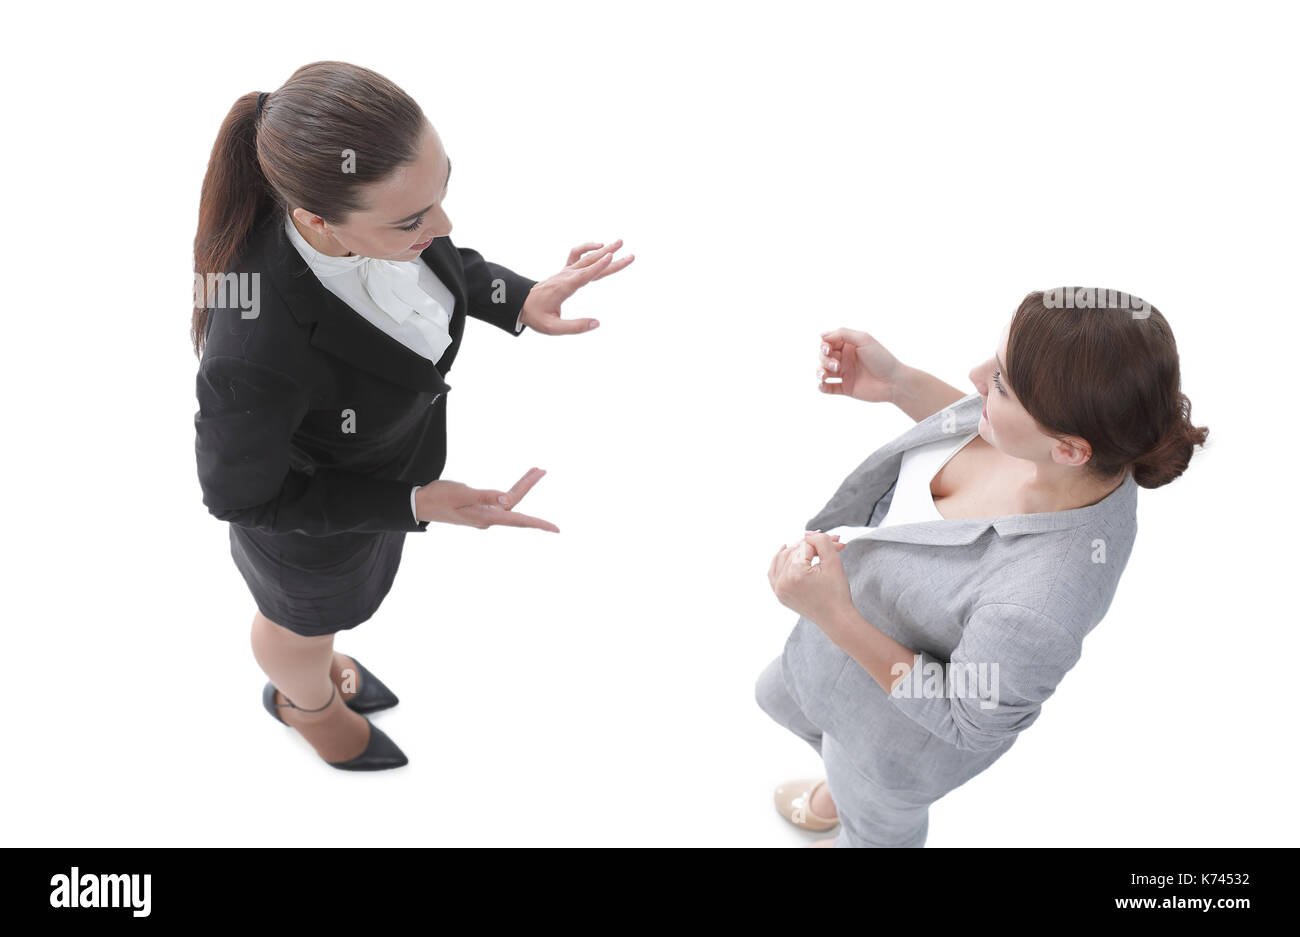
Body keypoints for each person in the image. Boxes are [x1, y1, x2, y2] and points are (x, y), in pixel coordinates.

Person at [192, 61, 633, 771]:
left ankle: (318, 662)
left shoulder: (380, 223)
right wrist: (414, 502)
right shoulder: (252, 347)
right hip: (309, 531)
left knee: (329, 618)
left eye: (441, 191)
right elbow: (240, 497)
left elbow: (444, 259)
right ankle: (305, 702)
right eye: (413, 218)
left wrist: (519, 299)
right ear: (315, 220)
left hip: (379, 482)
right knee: (299, 627)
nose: (444, 224)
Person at [757, 288, 1208, 846]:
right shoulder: (1063, 441)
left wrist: (836, 617)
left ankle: (853, 803)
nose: (976, 377)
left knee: (872, 820)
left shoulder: (1041, 603)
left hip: (891, 740)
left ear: (1069, 449)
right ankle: (838, 780)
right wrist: (900, 382)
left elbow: (963, 718)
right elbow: (981, 435)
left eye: (1000, 384)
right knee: (787, 703)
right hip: (830, 658)